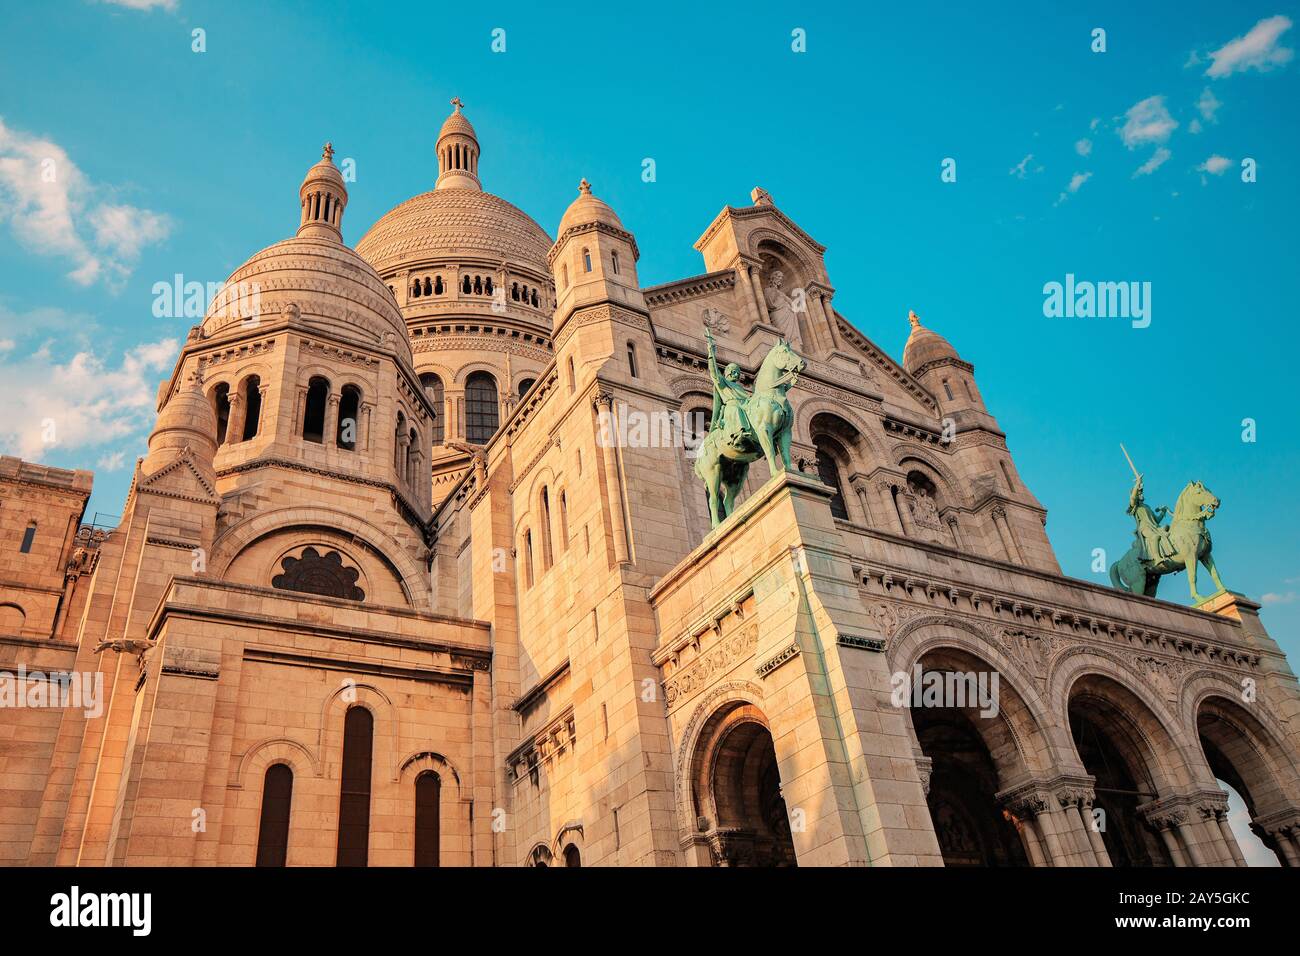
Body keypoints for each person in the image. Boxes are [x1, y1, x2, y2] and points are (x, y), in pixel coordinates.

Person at [704, 327, 752, 450]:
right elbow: (714, 372)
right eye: (734, 371)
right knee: (735, 408)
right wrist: (711, 353)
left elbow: (748, 399)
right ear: (728, 372)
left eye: (737, 372)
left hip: (744, 406)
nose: (736, 374)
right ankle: (737, 435)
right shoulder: (722, 383)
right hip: (731, 407)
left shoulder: (740, 388)